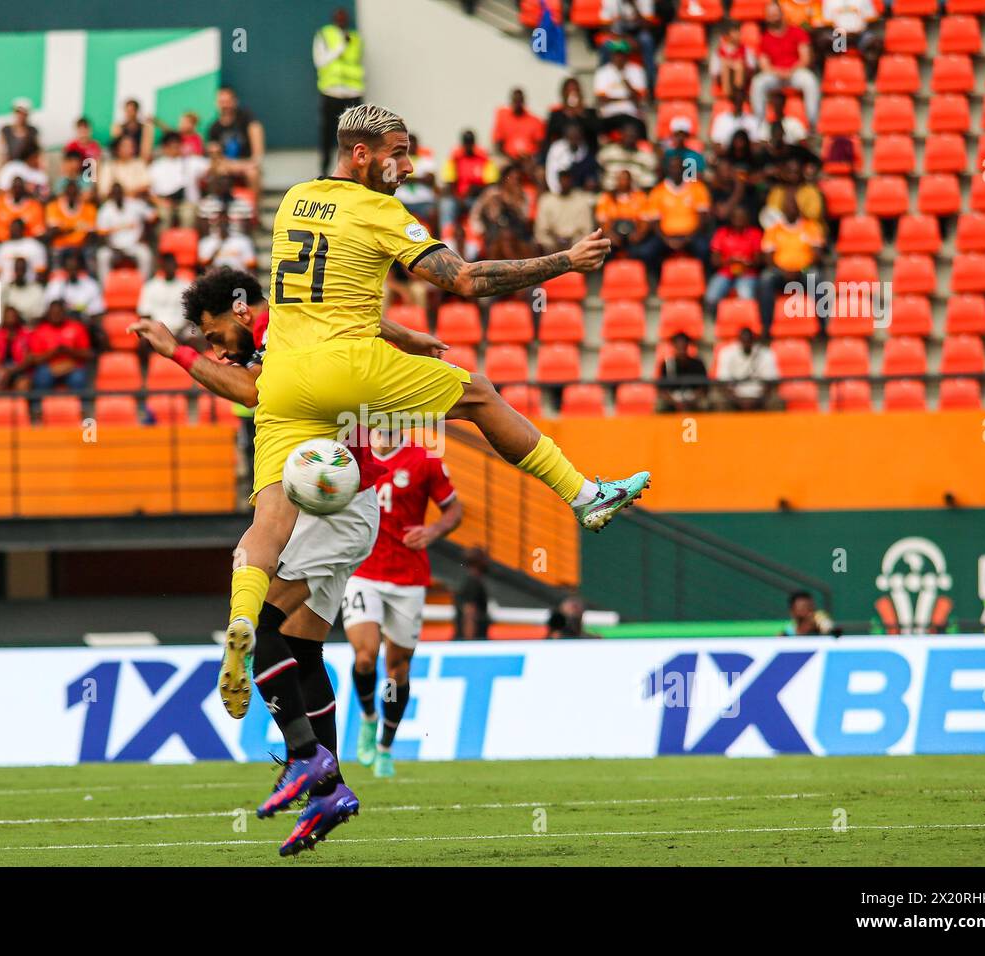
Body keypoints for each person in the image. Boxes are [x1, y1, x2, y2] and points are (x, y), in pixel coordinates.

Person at [200, 104, 649, 780]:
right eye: (397, 152)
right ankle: (583, 495)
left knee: (271, 513)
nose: (407, 166)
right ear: (360, 156)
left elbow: (335, 288)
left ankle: (240, 619)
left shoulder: (297, 199)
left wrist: (399, 332)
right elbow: (466, 280)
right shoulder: (379, 213)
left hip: (285, 379)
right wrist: (564, 261)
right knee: (479, 394)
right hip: (347, 366)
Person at [129, 267, 421, 853]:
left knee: (258, 620)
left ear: (240, 313)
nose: (214, 348)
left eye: (213, 334)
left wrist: (177, 353)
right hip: (343, 502)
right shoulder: (289, 326)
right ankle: (329, 791)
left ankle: (306, 757)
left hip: (333, 502)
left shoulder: (277, 328)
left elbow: (254, 391)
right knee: (303, 645)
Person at [343, 428, 464, 778]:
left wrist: (434, 531)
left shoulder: (424, 461)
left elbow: (453, 509)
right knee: (365, 656)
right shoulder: (351, 452)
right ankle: (367, 719)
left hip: (408, 579)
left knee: (398, 670)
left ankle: (385, 746)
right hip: (363, 571)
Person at [635, 153, 712, 276]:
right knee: (646, 252)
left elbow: (703, 219)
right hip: (666, 237)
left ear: (684, 169)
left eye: (678, 167)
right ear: (667, 169)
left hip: (691, 236)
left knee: (705, 249)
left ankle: (703, 280)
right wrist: (667, 240)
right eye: (672, 167)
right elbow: (654, 222)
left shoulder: (697, 188)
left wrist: (688, 239)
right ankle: (660, 279)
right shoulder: (658, 191)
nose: (675, 170)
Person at [758, 192, 825, 333]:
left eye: (793, 207)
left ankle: (822, 325)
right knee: (766, 278)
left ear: (799, 209)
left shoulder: (811, 227)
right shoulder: (773, 230)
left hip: (803, 271)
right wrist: (784, 271)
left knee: (816, 276)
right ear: (782, 211)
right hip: (780, 272)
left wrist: (800, 269)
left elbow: (817, 255)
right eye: (787, 207)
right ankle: (766, 326)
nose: (791, 210)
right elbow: (768, 258)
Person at [750, 2, 820, 126]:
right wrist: (779, 72)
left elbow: (805, 58)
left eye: (775, 13)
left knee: (810, 81)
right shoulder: (764, 39)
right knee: (757, 83)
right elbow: (764, 65)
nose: (773, 17)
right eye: (770, 14)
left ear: (782, 14)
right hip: (775, 74)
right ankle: (758, 124)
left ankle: (812, 123)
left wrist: (791, 71)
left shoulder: (797, 32)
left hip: (795, 72)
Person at [314, 7, 364, 175]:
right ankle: (325, 170)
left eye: (345, 18)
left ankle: (355, 170)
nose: (342, 20)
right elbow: (320, 61)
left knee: (356, 134)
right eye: (339, 17)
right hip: (332, 92)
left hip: (353, 92)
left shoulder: (356, 38)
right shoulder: (324, 35)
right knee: (328, 134)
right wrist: (341, 45)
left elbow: (358, 61)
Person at [206, 86, 265, 197]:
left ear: (234, 101)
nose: (225, 105)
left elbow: (257, 156)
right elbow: (214, 158)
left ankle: (254, 210)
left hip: (247, 164)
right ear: (217, 104)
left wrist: (249, 163)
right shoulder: (213, 128)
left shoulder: (248, 119)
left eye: (228, 101)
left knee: (253, 173)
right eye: (222, 102)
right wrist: (232, 166)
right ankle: (218, 208)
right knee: (216, 172)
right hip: (226, 165)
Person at [469, 164, 536, 260]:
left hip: (517, 235)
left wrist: (513, 203)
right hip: (494, 233)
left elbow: (525, 218)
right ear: (505, 179)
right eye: (512, 178)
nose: (515, 182)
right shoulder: (492, 193)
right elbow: (476, 213)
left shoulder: (523, 196)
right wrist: (481, 230)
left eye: (517, 179)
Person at [706, 204, 762, 313]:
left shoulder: (755, 233)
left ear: (747, 219)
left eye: (742, 217)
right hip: (725, 272)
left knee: (746, 298)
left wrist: (746, 262)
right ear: (731, 218)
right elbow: (714, 260)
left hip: (747, 274)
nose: (739, 220)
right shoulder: (721, 233)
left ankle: (745, 325)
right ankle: (716, 322)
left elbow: (758, 261)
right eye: (736, 217)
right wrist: (730, 261)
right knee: (711, 297)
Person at [148, 132, 210, 230]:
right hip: (164, 202)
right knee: (164, 216)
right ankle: (163, 244)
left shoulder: (191, 161)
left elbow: (211, 167)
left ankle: (186, 244)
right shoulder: (156, 166)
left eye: (178, 145)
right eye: (171, 146)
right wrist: (160, 202)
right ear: (164, 148)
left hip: (187, 202)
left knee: (188, 215)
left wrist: (215, 154)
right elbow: (150, 193)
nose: (175, 149)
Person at [95, 182, 155, 279]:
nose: (118, 195)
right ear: (111, 195)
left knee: (145, 254)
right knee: (102, 255)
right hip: (114, 248)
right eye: (115, 193)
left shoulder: (134, 204)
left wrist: (144, 234)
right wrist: (111, 247)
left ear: (123, 193)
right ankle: (106, 288)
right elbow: (101, 233)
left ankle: (143, 287)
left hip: (134, 245)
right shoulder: (105, 209)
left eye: (119, 192)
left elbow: (153, 217)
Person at [29, 300, 91, 392]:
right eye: (53, 313)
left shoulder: (77, 327)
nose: (56, 315)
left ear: (64, 313)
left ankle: (82, 406)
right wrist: (54, 353)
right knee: (42, 377)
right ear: (48, 314)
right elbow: (35, 359)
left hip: (72, 366)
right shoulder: (40, 331)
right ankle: (39, 406)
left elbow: (87, 354)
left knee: (78, 378)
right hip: (48, 367)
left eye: (59, 312)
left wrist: (68, 351)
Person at [715, 326, 782, 411]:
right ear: (739, 341)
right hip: (734, 397)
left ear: (753, 341)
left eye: (749, 341)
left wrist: (759, 399)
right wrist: (737, 400)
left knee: (776, 402)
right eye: (743, 341)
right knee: (718, 401)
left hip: (760, 397)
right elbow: (723, 382)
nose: (746, 343)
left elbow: (770, 382)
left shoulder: (766, 354)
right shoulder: (726, 353)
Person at [592, 40, 647, 141]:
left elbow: (638, 100)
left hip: (631, 114)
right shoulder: (603, 72)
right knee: (596, 125)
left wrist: (625, 80)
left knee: (639, 125)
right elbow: (602, 99)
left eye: (622, 54)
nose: (619, 57)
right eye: (616, 54)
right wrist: (627, 98)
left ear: (627, 55)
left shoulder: (637, 71)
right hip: (610, 115)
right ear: (612, 55)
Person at [536, 168, 596, 254]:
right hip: (551, 245)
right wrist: (555, 240)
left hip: (575, 243)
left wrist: (571, 241)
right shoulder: (547, 200)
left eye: (567, 179)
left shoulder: (582, 200)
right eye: (563, 179)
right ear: (559, 181)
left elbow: (587, 229)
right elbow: (541, 230)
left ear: (572, 181)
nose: (565, 182)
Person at [595, 169, 651, 256]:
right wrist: (610, 235)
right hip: (613, 236)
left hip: (634, 235)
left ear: (630, 181)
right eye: (620, 179)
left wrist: (639, 234)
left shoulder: (640, 197)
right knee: (603, 251)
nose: (623, 182)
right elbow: (602, 221)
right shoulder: (607, 197)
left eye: (625, 179)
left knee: (645, 252)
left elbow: (645, 220)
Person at [44, 179, 97, 265]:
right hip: (60, 246)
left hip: (82, 247)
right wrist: (76, 228)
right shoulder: (53, 207)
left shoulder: (89, 209)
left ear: (78, 193)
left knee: (90, 252)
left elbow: (91, 233)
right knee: (55, 253)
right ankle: (57, 276)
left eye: (74, 192)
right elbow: (53, 232)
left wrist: (67, 228)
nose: (72, 195)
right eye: (69, 192)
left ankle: (91, 277)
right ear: (64, 193)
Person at [655, 331, 709, 412]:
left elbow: (704, 387)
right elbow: (662, 389)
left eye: (683, 344)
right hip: (673, 398)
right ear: (674, 345)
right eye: (678, 344)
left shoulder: (697, 363)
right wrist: (674, 402)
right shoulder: (667, 364)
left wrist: (692, 399)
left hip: (693, 397)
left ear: (687, 345)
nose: (681, 347)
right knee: (660, 405)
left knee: (705, 404)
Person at [45, 251, 105, 322]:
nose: (72, 272)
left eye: (75, 268)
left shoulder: (91, 285)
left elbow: (97, 311)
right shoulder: (55, 285)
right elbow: (50, 310)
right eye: (69, 268)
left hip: (84, 324)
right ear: (64, 268)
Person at [491, 88, 545, 166]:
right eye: (515, 100)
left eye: (519, 101)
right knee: (498, 164)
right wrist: (510, 157)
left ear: (523, 101)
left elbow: (540, 146)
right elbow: (498, 144)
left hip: (529, 159)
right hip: (508, 158)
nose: (517, 103)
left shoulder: (534, 121)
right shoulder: (503, 118)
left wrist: (530, 157)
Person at [137, 253, 189, 333]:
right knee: (144, 341)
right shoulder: (150, 286)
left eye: (171, 263)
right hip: (157, 330)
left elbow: (191, 314)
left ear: (176, 265)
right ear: (161, 266)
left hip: (182, 331)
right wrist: (154, 330)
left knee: (196, 340)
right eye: (167, 264)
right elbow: (144, 313)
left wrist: (181, 331)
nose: (169, 266)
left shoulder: (186, 286)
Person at [598, 123, 658, 190]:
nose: (630, 139)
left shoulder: (646, 157)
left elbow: (650, 181)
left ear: (637, 137)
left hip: (636, 196)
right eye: (627, 135)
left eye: (632, 136)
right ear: (621, 135)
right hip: (610, 194)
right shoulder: (607, 152)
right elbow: (598, 173)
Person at [0, 305, 35, 391]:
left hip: (20, 370)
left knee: (23, 384)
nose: (10, 319)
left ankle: (20, 404)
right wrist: (1, 371)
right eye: (8, 316)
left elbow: (27, 360)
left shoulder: (26, 335)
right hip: (2, 370)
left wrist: (10, 371)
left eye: (12, 316)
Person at [0, 219, 47, 284]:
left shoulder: (35, 246)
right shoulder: (2, 247)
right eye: (12, 228)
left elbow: (41, 273)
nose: (14, 230)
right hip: (5, 285)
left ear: (23, 229)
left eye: (16, 228)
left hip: (27, 285)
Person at [454, 547, 491, 640]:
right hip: (473, 639)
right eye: (485, 559)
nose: (488, 562)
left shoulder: (468, 581)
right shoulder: (473, 583)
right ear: (477, 562)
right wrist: (469, 644)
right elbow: (469, 613)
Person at [0, 98, 40, 166]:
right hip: (10, 166)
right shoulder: (6, 130)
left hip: (28, 167)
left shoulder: (33, 131)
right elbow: (0, 151)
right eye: (18, 112)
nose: (20, 115)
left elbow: (39, 152)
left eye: (23, 112)